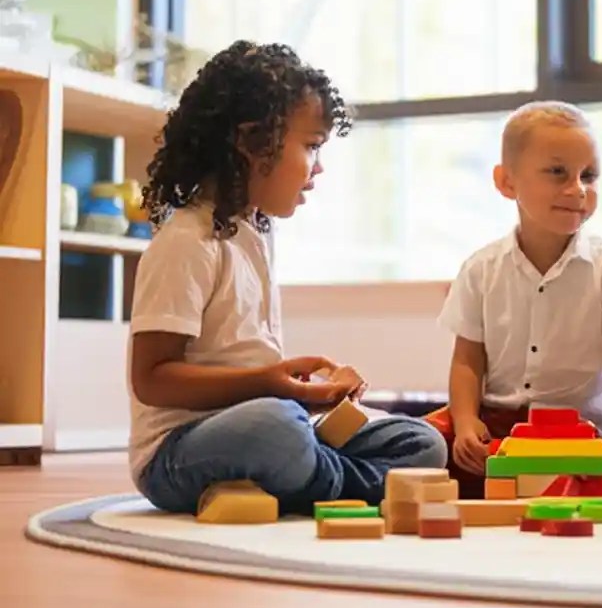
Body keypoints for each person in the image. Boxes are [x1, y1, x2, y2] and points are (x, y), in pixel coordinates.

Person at [128, 40, 447, 515]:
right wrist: (273, 386)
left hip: (268, 418)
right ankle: (331, 478)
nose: (317, 168)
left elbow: (251, 365)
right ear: (253, 142)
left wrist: (304, 388)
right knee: (276, 428)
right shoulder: (186, 241)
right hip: (180, 452)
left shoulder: (255, 231)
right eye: (312, 146)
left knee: (421, 443)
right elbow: (152, 380)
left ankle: (308, 475)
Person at [427, 101, 602, 498]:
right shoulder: (480, 269)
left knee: (576, 477)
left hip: (577, 430)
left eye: (588, 175)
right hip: (495, 425)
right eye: (557, 172)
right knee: (420, 443)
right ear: (506, 183)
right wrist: (465, 423)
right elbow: (467, 361)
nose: (577, 189)